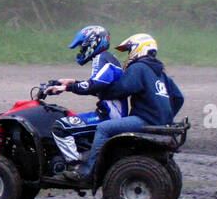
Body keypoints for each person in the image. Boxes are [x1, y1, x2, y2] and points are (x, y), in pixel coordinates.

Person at [52, 32, 184, 185]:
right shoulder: (161, 73)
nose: (129, 54)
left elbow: (120, 89)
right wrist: (166, 115)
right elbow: (179, 98)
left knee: (103, 128)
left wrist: (98, 89)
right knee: (106, 127)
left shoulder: (139, 67)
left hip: (144, 120)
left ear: (139, 48)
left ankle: (87, 172)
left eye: (129, 50)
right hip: (160, 122)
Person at [49, 25, 125, 164]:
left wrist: (66, 87)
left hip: (108, 115)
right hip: (110, 112)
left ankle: (75, 166)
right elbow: (100, 87)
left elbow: (93, 85)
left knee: (60, 127)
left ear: (93, 42)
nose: (81, 50)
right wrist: (69, 82)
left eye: (82, 46)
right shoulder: (107, 58)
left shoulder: (101, 58)